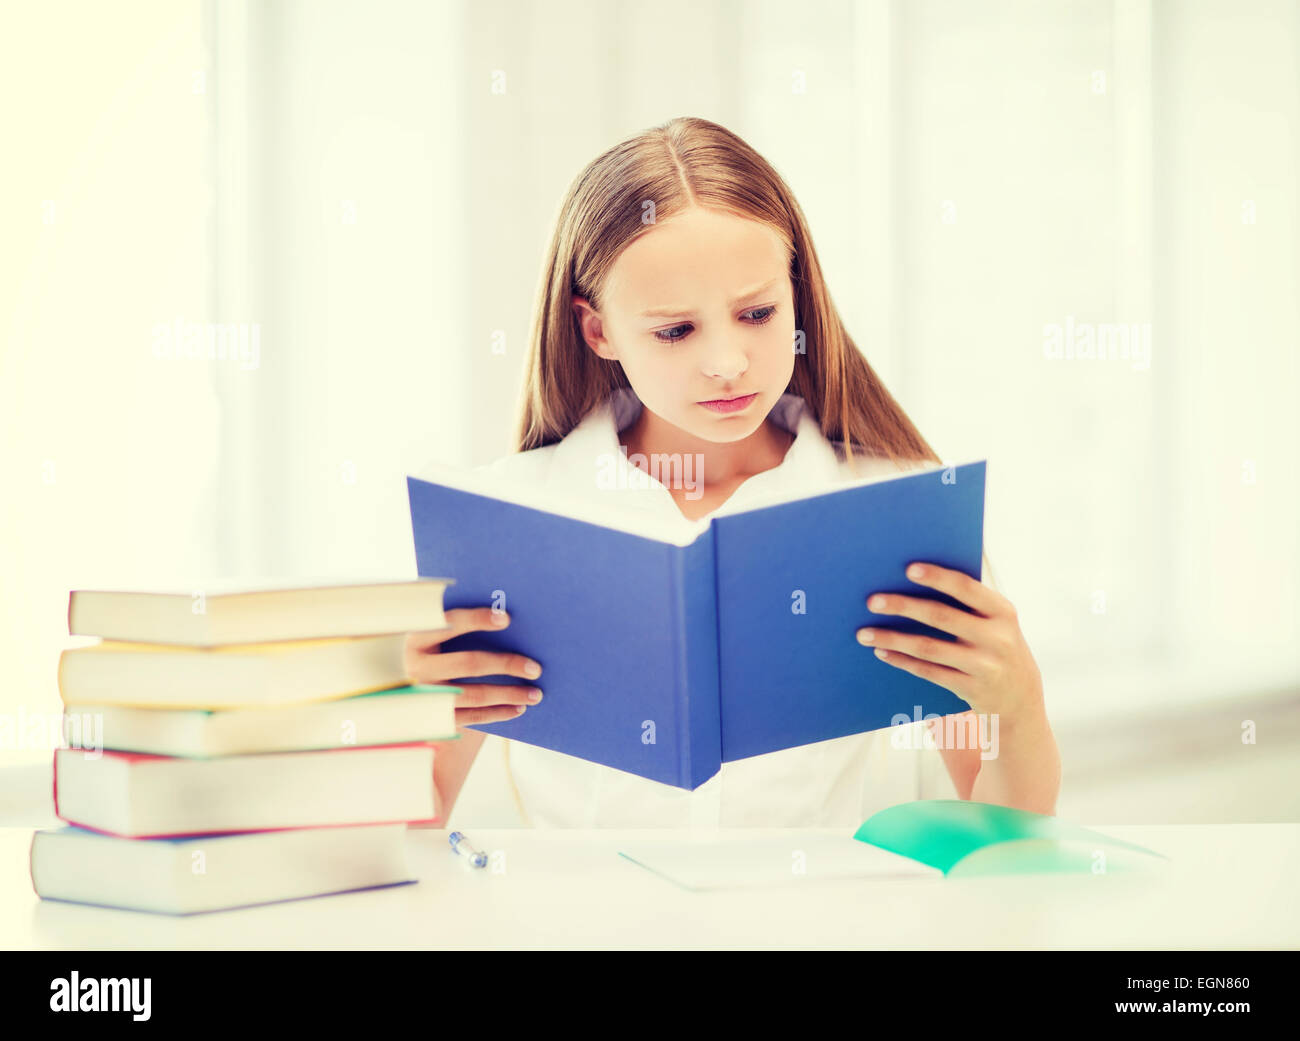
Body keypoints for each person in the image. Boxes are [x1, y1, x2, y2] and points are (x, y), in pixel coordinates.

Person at [407, 116, 1060, 827]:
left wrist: (1018, 700)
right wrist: (401, 705)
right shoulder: (509, 518)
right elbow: (419, 813)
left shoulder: (891, 513)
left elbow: (1003, 827)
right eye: (675, 330)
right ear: (597, 331)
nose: (727, 361)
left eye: (756, 312)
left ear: (797, 296)